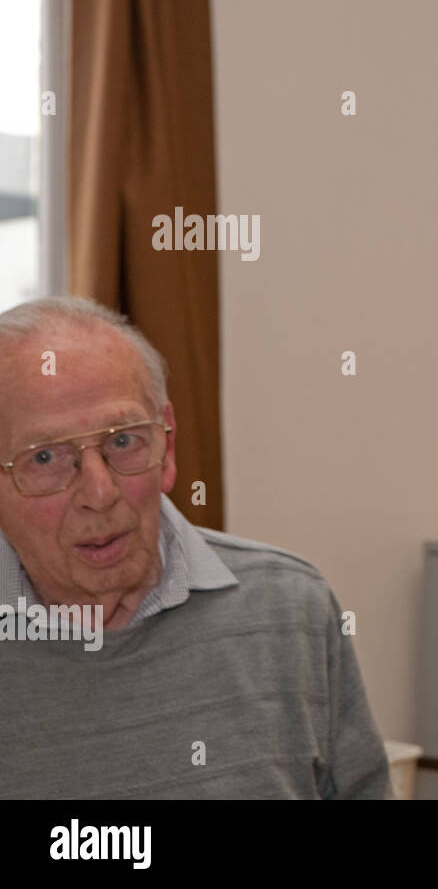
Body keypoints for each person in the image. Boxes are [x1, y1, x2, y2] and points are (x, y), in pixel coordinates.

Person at [0, 297, 390, 798]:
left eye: (123, 441)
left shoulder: (291, 608)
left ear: (168, 445)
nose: (99, 494)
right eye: (46, 456)